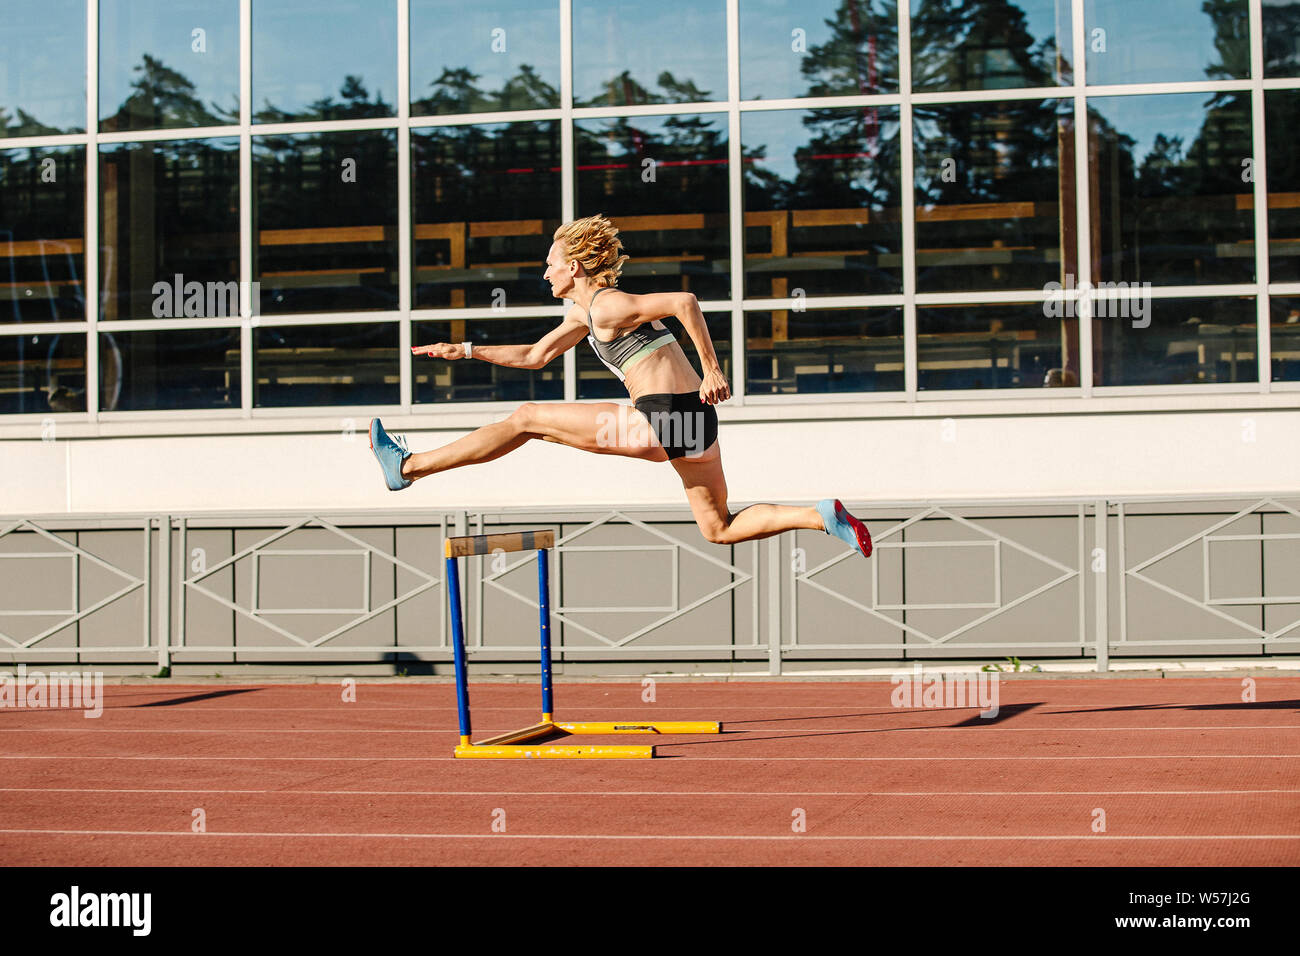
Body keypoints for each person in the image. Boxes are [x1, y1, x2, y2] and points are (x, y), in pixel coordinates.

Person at [369, 213, 870, 557]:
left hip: (661, 419)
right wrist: (467, 350)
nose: (544, 273)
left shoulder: (606, 305)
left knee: (526, 420)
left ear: (575, 266)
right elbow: (535, 355)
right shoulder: (586, 313)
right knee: (718, 527)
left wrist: (714, 369)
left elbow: (685, 302)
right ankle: (820, 515)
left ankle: (409, 467)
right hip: (696, 427)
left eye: (550, 263)